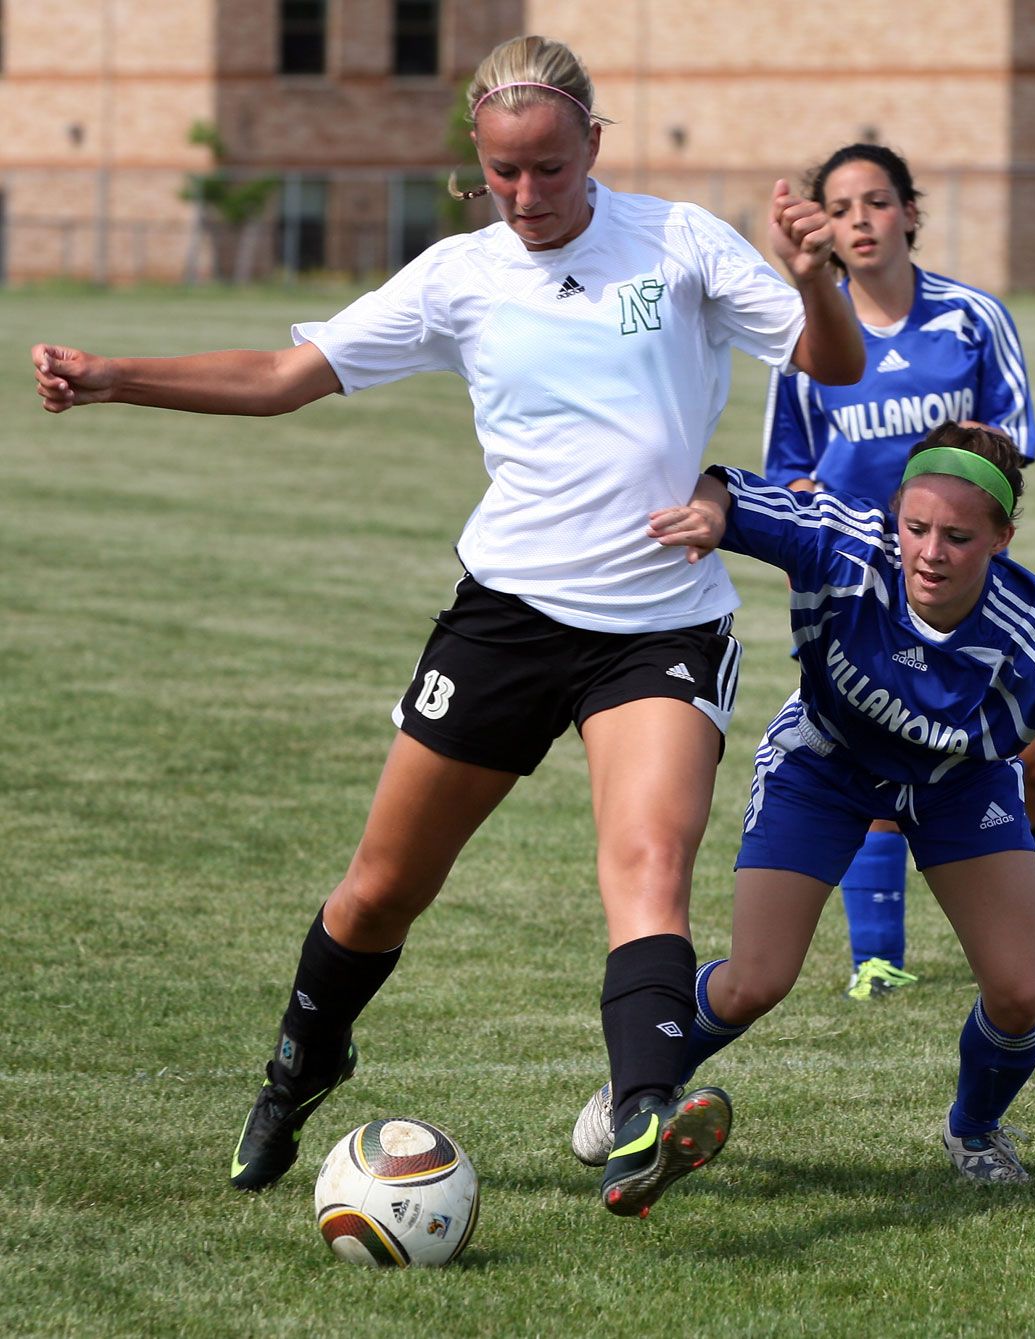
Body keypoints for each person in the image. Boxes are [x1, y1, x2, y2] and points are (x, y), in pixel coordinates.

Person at [31, 36, 864, 1219]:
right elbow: (285, 377)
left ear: (594, 145)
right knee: (383, 888)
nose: (526, 198)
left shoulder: (678, 243)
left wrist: (816, 275)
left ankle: (640, 1119)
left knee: (646, 870)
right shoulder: (460, 276)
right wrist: (118, 375)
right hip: (505, 624)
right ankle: (303, 1062)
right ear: (477, 163)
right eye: (501, 175)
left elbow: (827, 366)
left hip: (659, 627)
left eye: (549, 170)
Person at [573, 421, 1035, 1182]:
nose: (929, 551)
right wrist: (714, 515)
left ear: (1002, 538)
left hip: (961, 787)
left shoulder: (1031, 627)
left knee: (1018, 995)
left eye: (957, 535)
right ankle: (640, 1086)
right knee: (757, 978)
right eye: (915, 527)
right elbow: (725, 485)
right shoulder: (846, 545)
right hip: (823, 765)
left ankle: (975, 1130)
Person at [761, 142, 1035, 1002]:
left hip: (962, 576)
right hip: (866, 591)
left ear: (911, 214)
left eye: (878, 201)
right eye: (842, 205)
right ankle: (877, 956)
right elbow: (787, 469)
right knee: (878, 756)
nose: (860, 219)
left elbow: (1015, 441)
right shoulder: (812, 334)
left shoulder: (972, 317)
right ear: (821, 223)